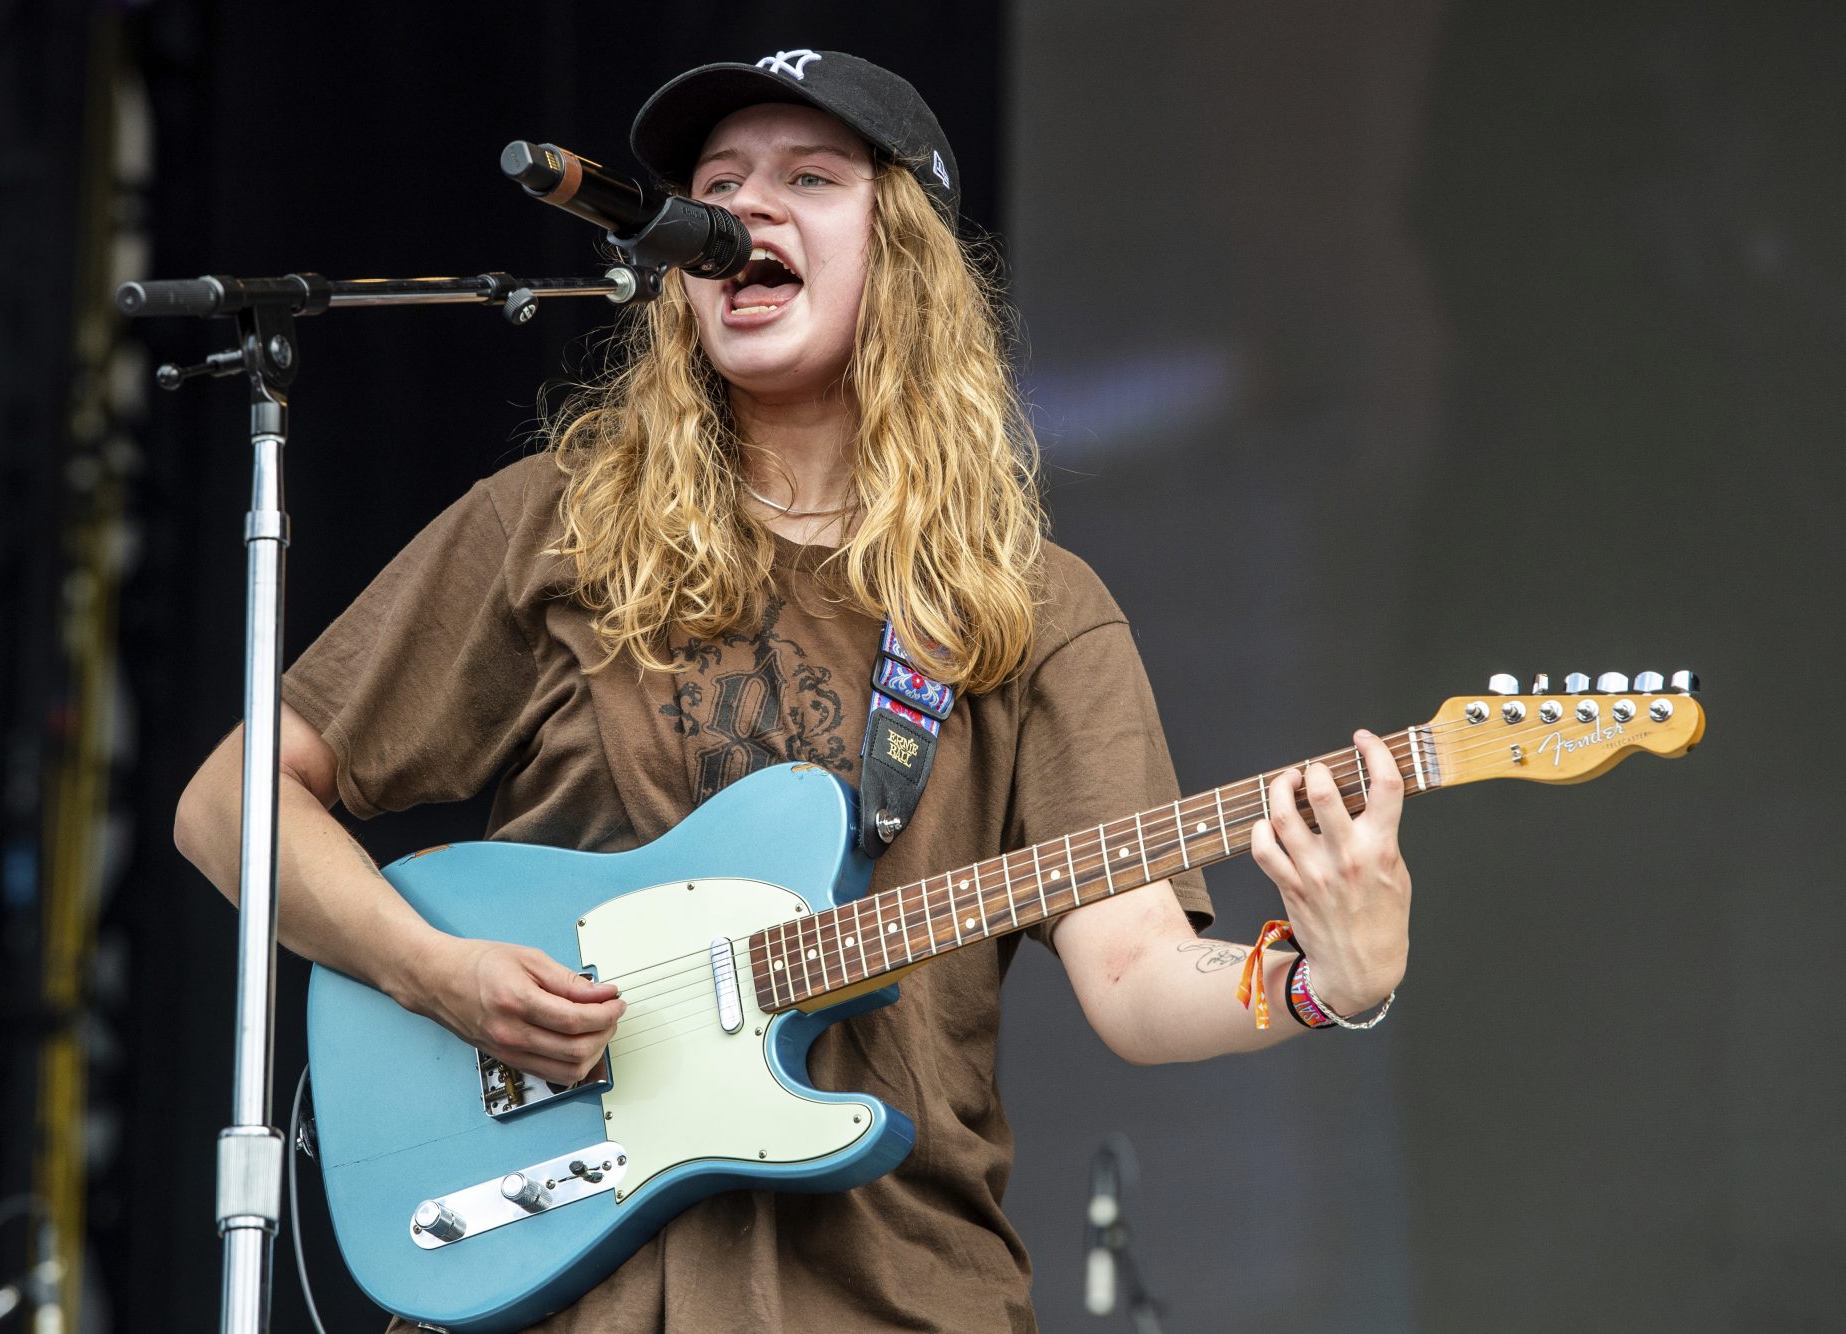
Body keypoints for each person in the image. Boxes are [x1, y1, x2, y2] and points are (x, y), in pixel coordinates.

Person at [174, 49, 1411, 1333]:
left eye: (808, 178)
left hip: (887, 1297)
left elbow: (1139, 973)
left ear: (907, 256)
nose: (748, 211)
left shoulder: (1027, 604)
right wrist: (436, 972)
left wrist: (1323, 978)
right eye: (717, 185)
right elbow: (230, 804)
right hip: (556, 1290)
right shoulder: (559, 526)